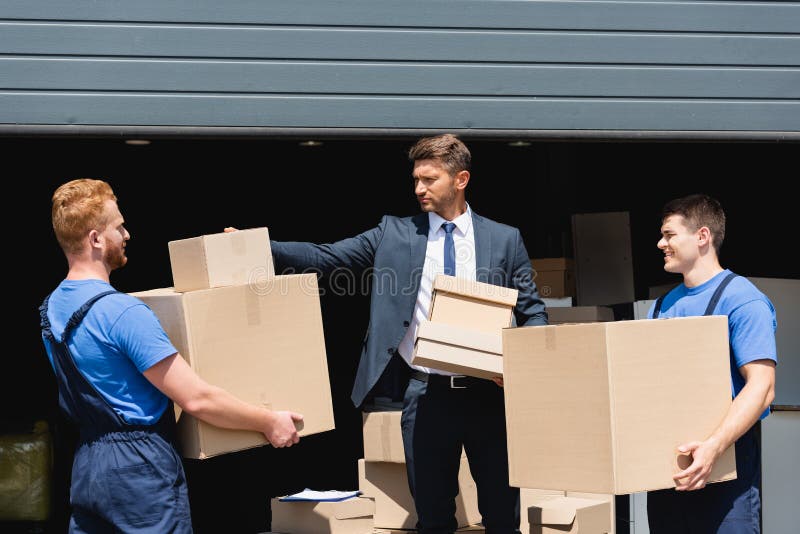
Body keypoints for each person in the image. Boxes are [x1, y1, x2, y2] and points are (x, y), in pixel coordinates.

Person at [254, 134, 547, 534]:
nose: (419, 189)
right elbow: (327, 256)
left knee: (502, 517)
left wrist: (519, 367)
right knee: (434, 519)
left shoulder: (504, 238)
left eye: (429, 179)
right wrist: (260, 246)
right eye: (415, 180)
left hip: (489, 398)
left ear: (460, 179)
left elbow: (533, 312)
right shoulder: (393, 233)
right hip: (426, 396)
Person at [40, 178, 303, 533]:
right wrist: (269, 421)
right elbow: (197, 399)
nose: (127, 234)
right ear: (96, 239)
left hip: (88, 466)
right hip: (139, 470)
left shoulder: (52, 308)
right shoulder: (123, 313)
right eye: (119, 227)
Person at [646, 194, 777, 533]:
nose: (661, 244)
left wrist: (713, 448)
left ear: (702, 236)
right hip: (667, 474)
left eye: (669, 235)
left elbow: (762, 387)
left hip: (726, 474)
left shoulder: (742, 300)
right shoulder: (660, 307)